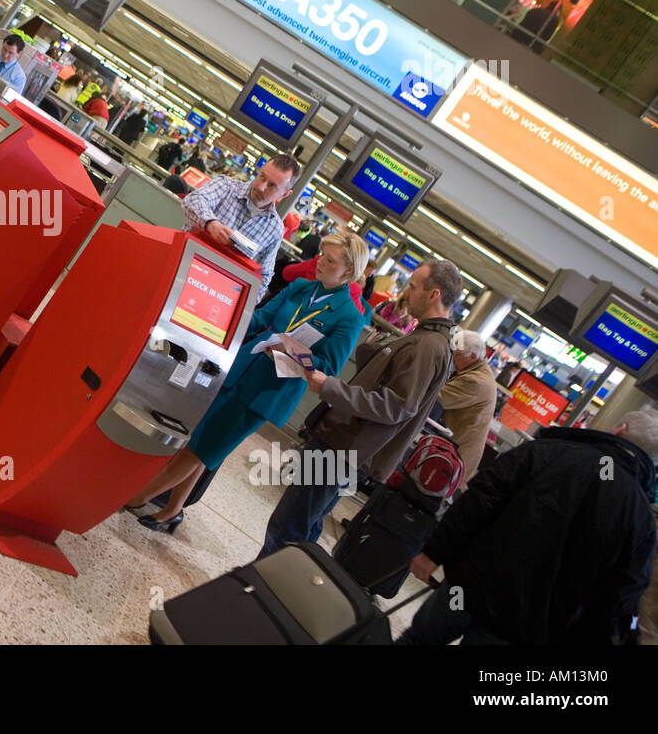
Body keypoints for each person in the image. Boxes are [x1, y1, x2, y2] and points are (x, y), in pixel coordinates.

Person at [126, 231, 370, 533]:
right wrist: (217, 323)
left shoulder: (349, 317)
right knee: (204, 441)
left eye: (329, 260)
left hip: (268, 392)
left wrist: (292, 350)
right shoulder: (301, 287)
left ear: (348, 270)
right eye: (321, 254)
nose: (319, 262)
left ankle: (139, 497)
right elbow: (259, 318)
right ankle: (174, 509)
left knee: (201, 448)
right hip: (242, 368)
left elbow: (327, 366)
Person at [398, 409, 658, 645]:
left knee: (417, 640)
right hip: (525, 626)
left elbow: (479, 500)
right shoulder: (641, 520)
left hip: (469, 587)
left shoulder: (547, 451)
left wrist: (434, 552)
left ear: (620, 429)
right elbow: (621, 594)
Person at [258, 260, 461, 557]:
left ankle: (259, 590)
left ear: (434, 295)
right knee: (305, 525)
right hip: (347, 446)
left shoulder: (428, 345)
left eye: (414, 287)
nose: (406, 293)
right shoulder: (427, 340)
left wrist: (329, 387)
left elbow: (395, 406)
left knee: (288, 526)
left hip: (344, 447)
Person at [182, 154, 302, 293]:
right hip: (185, 266)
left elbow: (263, 277)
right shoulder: (226, 186)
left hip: (217, 292)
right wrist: (210, 223)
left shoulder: (274, 229)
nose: (261, 187)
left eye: (272, 186)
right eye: (262, 177)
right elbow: (192, 200)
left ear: (284, 194)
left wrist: (239, 302)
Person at [437, 329, 498, 490]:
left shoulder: (476, 381)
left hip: (451, 457)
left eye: (456, 353)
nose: (452, 356)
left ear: (472, 356)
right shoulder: (474, 371)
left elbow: (438, 397)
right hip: (450, 451)